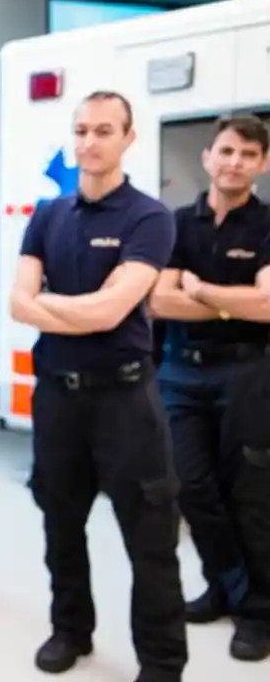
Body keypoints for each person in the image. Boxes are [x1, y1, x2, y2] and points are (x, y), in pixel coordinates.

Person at [9, 90, 187, 682]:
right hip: (58, 396)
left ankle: (162, 662)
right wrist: (73, 308)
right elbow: (15, 302)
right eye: (81, 130)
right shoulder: (48, 215)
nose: (89, 141)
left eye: (103, 131)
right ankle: (70, 631)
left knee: (150, 537)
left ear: (128, 138)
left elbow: (111, 312)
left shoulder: (148, 217)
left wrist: (50, 305)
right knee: (60, 523)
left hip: (125, 400)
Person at [147, 113, 270, 662]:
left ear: (262, 165)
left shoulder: (266, 224)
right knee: (191, 487)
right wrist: (228, 300)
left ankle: (256, 611)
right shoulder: (178, 222)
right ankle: (228, 586)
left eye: (248, 154)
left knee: (247, 493)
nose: (235, 162)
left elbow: (268, 306)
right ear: (208, 157)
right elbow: (158, 300)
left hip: (246, 372)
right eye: (227, 151)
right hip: (181, 371)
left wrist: (200, 290)